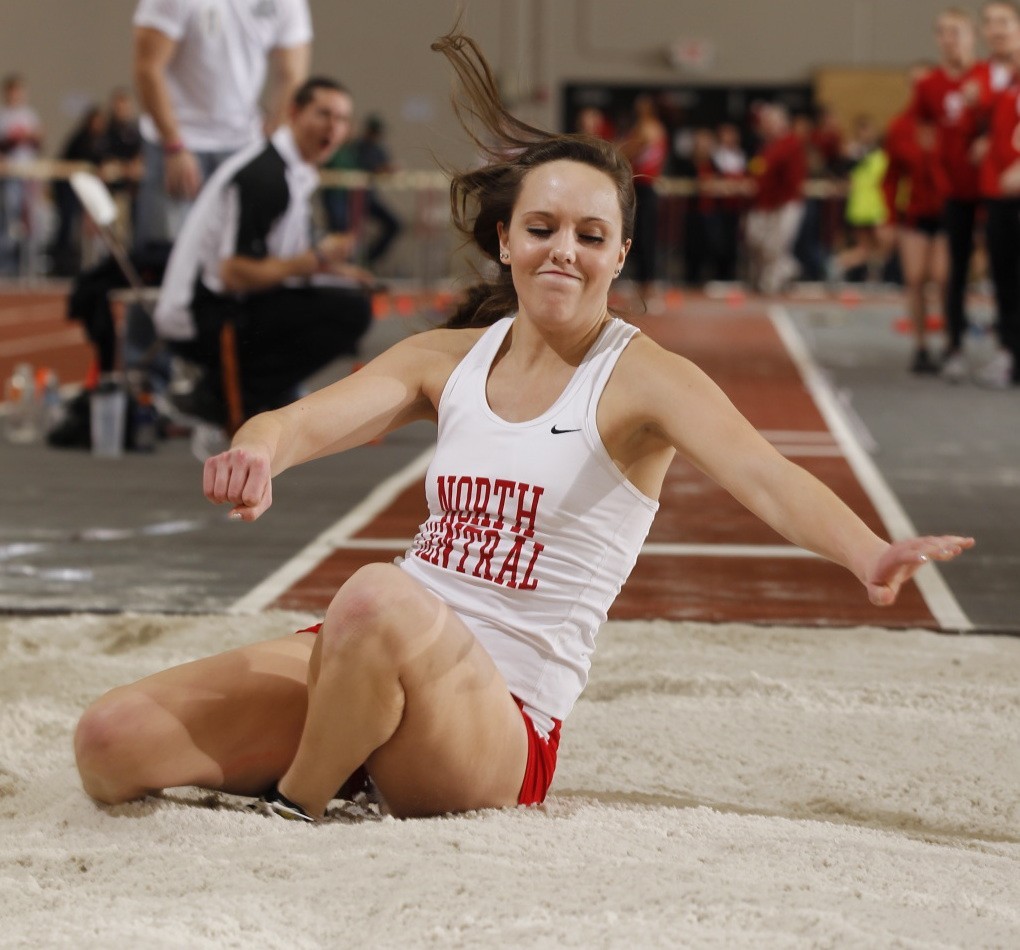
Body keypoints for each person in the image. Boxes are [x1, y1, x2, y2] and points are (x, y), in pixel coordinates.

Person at [74, 29, 975, 823]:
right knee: (111, 743)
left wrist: (869, 553)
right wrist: (258, 450)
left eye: (590, 235)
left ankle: (299, 802)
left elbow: (765, 476)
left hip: (497, 721)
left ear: (619, 253)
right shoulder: (447, 357)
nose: (564, 251)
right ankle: (351, 746)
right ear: (506, 240)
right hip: (373, 654)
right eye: (542, 228)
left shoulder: (646, 379)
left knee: (379, 594)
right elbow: (304, 422)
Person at [153, 77, 373, 430]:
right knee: (350, 313)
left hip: (232, 302)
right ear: (294, 113)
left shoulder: (292, 171)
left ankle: (256, 394)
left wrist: (334, 270)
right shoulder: (266, 176)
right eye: (324, 115)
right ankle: (222, 396)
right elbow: (234, 272)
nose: (334, 128)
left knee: (347, 297)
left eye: (343, 120)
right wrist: (313, 263)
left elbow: (281, 262)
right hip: (200, 317)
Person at [131, 0, 312, 249]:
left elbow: (293, 74)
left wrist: (270, 141)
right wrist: (174, 144)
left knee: (239, 251)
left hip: (243, 144)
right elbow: (148, 68)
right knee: (167, 253)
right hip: (179, 141)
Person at [911, 8, 980, 382]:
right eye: (942, 32)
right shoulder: (929, 85)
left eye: (955, 31)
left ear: (971, 35)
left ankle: (1006, 343)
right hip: (953, 193)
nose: (948, 39)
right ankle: (953, 345)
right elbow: (923, 131)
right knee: (952, 273)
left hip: (991, 187)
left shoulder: (986, 77)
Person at [884, 72, 951, 374]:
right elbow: (891, 177)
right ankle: (921, 346)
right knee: (914, 279)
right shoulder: (900, 126)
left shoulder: (949, 123)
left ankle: (952, 342)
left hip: (949, 211)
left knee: (943, 277)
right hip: (915, 213)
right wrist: (888, 218)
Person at [971, 0, 1020, 387]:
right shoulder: (990, 80)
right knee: (1003, 278)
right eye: (989, 23)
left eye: (1003, 22)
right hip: (997, 195)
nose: (996, 30)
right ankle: (1008, 354)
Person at [745, 102, 807, 294]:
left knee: (776, 245)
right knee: (755, 238)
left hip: (786, 202)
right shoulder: (767, 145)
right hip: (767, 203)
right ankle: (789, 269)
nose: (765, 126)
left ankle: (771, 283)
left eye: (769, 122)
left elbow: (771, 168)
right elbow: (758, 169)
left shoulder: (789, 143)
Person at [618, 93, 668, 307]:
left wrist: (618, 148)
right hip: (639, 186)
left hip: (645, 187)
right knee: (638, 236)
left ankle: (647, 284)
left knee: (645, 237)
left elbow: (631, 148)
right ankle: (642, 283)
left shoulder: (649, 128)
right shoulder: (644, 128)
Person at [0, 74, 44, 275]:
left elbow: (38, 143)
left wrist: (34, 136)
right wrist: (14, 139)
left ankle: (30, 265)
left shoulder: (30, 115)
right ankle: (7, 266)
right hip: (9, 175)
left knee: (31, 221)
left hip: (28, 174)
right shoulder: (3, 116)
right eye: (13, 91)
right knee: (9, 219)